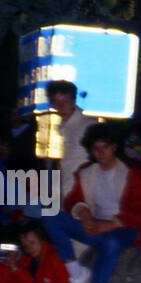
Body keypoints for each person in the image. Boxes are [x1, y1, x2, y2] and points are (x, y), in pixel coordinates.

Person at [48, 124, 141, 283]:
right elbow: (72, 200)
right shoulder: (87, 173)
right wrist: (84, 213)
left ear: (114, 147)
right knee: (50, 216)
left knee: (113, 242)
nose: (100, 153)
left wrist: (113, 223)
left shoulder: (132, 174)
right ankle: (76, 273)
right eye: (96, 148)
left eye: (105, 147)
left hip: (125, 227)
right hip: (95, 225)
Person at [47, 80, 94, 218]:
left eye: (64, 101)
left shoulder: (87, 124)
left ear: (73, 100)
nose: (60, 106)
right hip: (63, 191)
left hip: (83, 193)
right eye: (56, 102)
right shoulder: (58, 126)